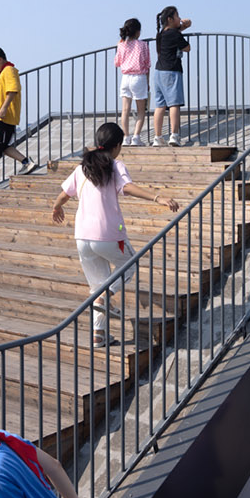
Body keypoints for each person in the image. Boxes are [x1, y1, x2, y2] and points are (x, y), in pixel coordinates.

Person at [51, 122, 179, 347]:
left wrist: (56, 207)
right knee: (130, 265)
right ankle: (104, 297)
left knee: (96, 285)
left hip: (82, 237)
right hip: (109, 235)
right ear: (117, 145)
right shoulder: (115, 164)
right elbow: (126, 188)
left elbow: (63, 195)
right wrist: (158, 198)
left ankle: (98, 335)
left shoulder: (82, 167)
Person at [0, 46, 40, 190]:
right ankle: (26, 162)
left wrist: (4, 108)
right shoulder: (4, 72)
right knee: (2, 146)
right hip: (4, 115)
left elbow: (13, 90)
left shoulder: (9, 71)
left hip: (4, 116)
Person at [149, 6, 192, 147]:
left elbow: (173, 34)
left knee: (160, 105)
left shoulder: (161, 34)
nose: (179, 18)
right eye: (177, 16)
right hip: (172, 71)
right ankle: (174, 135)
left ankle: (158, 137)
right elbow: (187, 48)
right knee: (174, 104)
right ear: (170, 19)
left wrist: (181, 27)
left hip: (158, 72)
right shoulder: (175, 35)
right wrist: (182, 28)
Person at [114, 18, 152, 145]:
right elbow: (147, 65)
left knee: (125, 110)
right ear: (138, 32)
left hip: (125, 78)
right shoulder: (143, 45)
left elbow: (117, 62)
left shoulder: (121, 45)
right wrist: (147, 82)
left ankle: (126, 137)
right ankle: (136, 137)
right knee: (141, 111)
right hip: (139, 77)